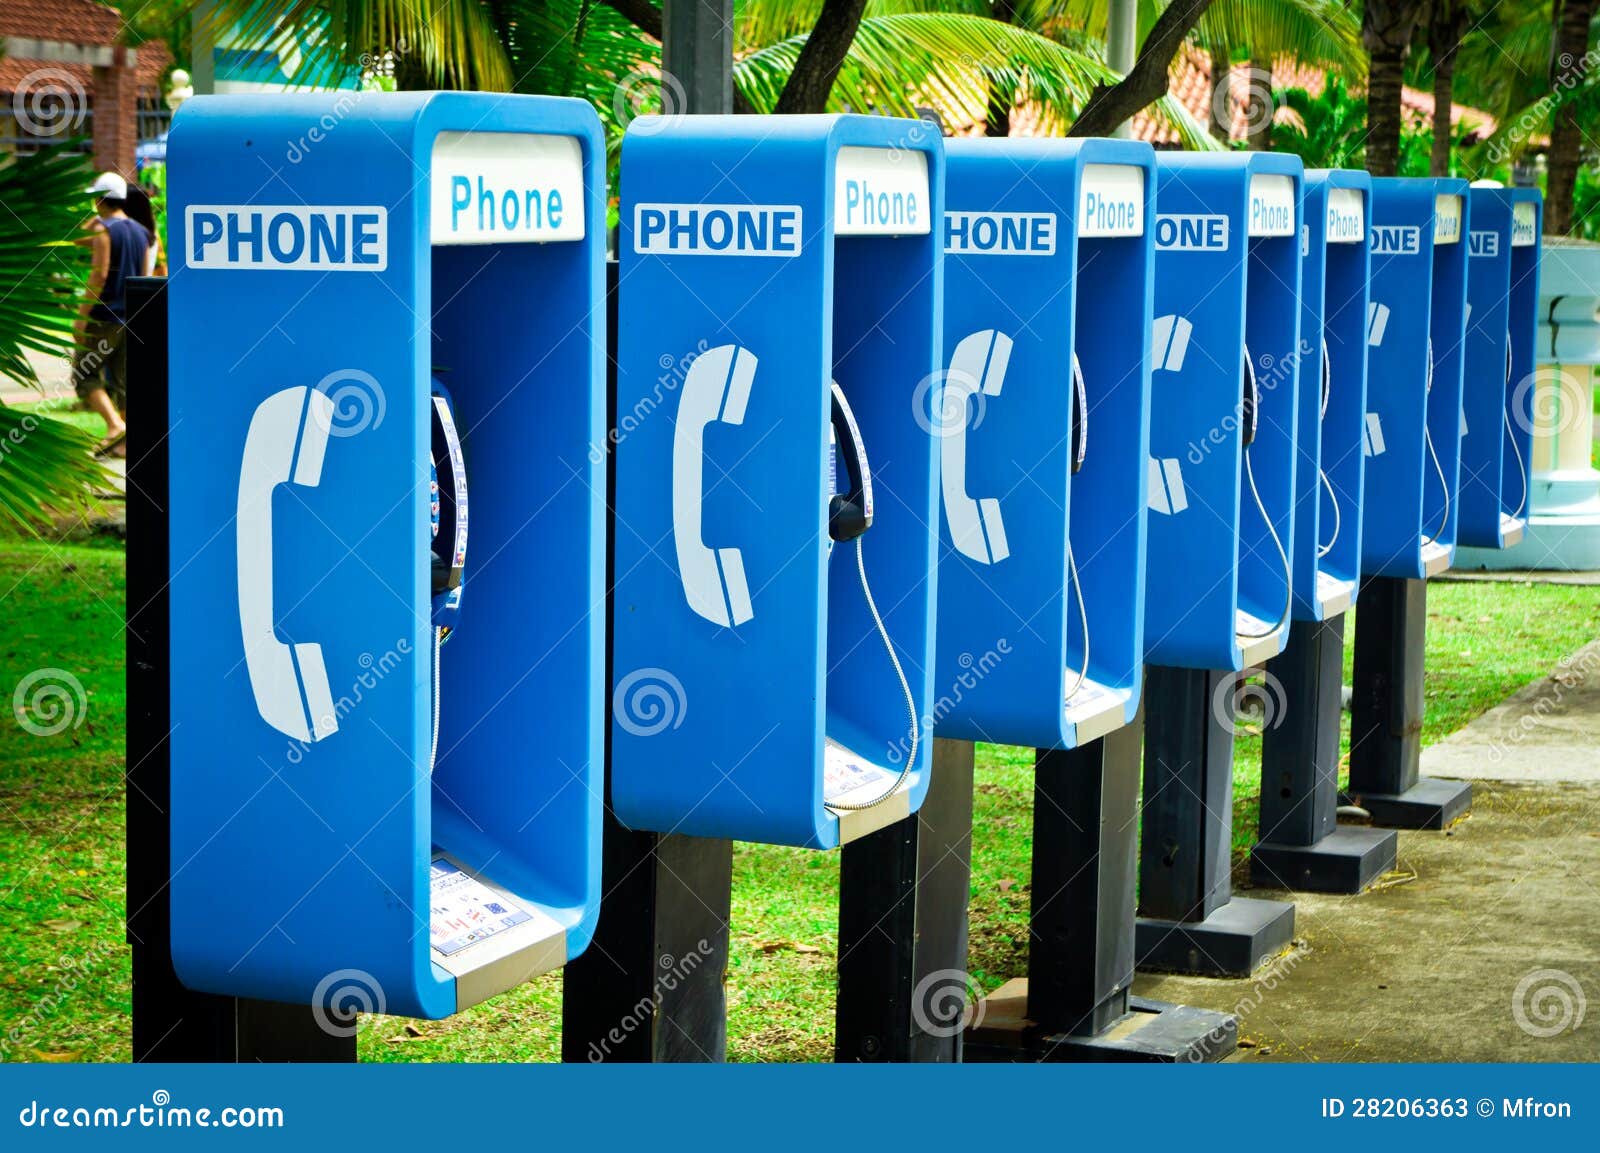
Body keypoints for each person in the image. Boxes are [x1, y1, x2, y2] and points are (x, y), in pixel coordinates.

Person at [73, 171, 156, 457]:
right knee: (123, 383)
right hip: (131, 317)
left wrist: (82, 317)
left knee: (84, 373)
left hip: (104, 317)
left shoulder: (102, 230)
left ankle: (114, 427)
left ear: (98, 200)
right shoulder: (141, 232)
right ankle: (125, 445)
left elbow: (98, 275)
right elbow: (144, 276)